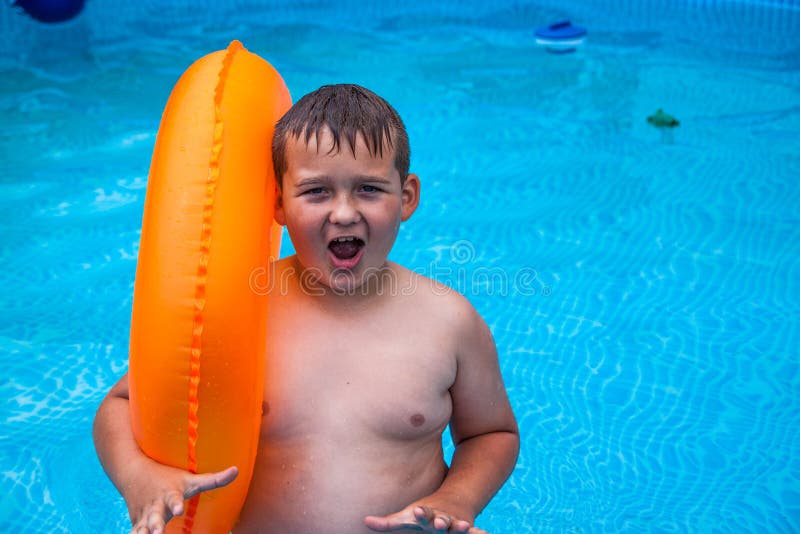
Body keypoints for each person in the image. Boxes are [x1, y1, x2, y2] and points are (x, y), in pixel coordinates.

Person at [93, 84, 519, 533]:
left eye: (369, 189)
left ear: (407, 197)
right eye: (316, 191)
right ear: (277, 201)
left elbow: (491, 435)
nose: (343, 213)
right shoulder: (241, 311)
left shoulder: (449, 321)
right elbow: (119, 406)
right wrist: (139, 477)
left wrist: (455, 500)